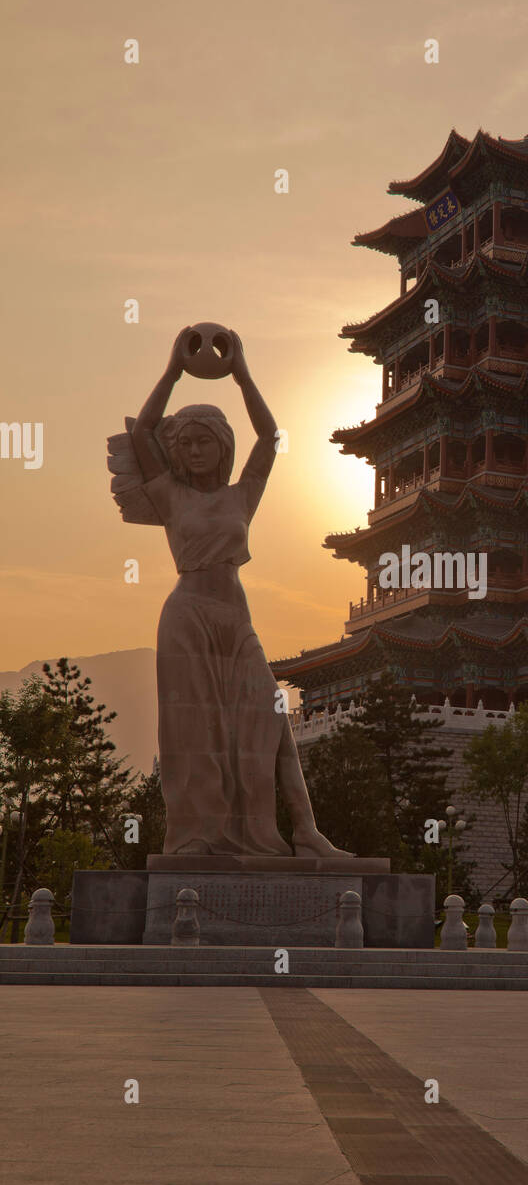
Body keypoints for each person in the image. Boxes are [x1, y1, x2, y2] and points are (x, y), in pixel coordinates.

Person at [112, 326, 352, 860]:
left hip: (235, 620)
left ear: (222, 446)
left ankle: (306, 832)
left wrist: (242, 373)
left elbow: (270, 439)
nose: (194, 449)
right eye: (187, 442)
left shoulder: (243, 495)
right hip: (187, 617)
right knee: (194, 733)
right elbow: (146, 430)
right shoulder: (169, 495)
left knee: (272, 715)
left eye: (204, 441)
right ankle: (197, 838)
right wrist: (173, 369)